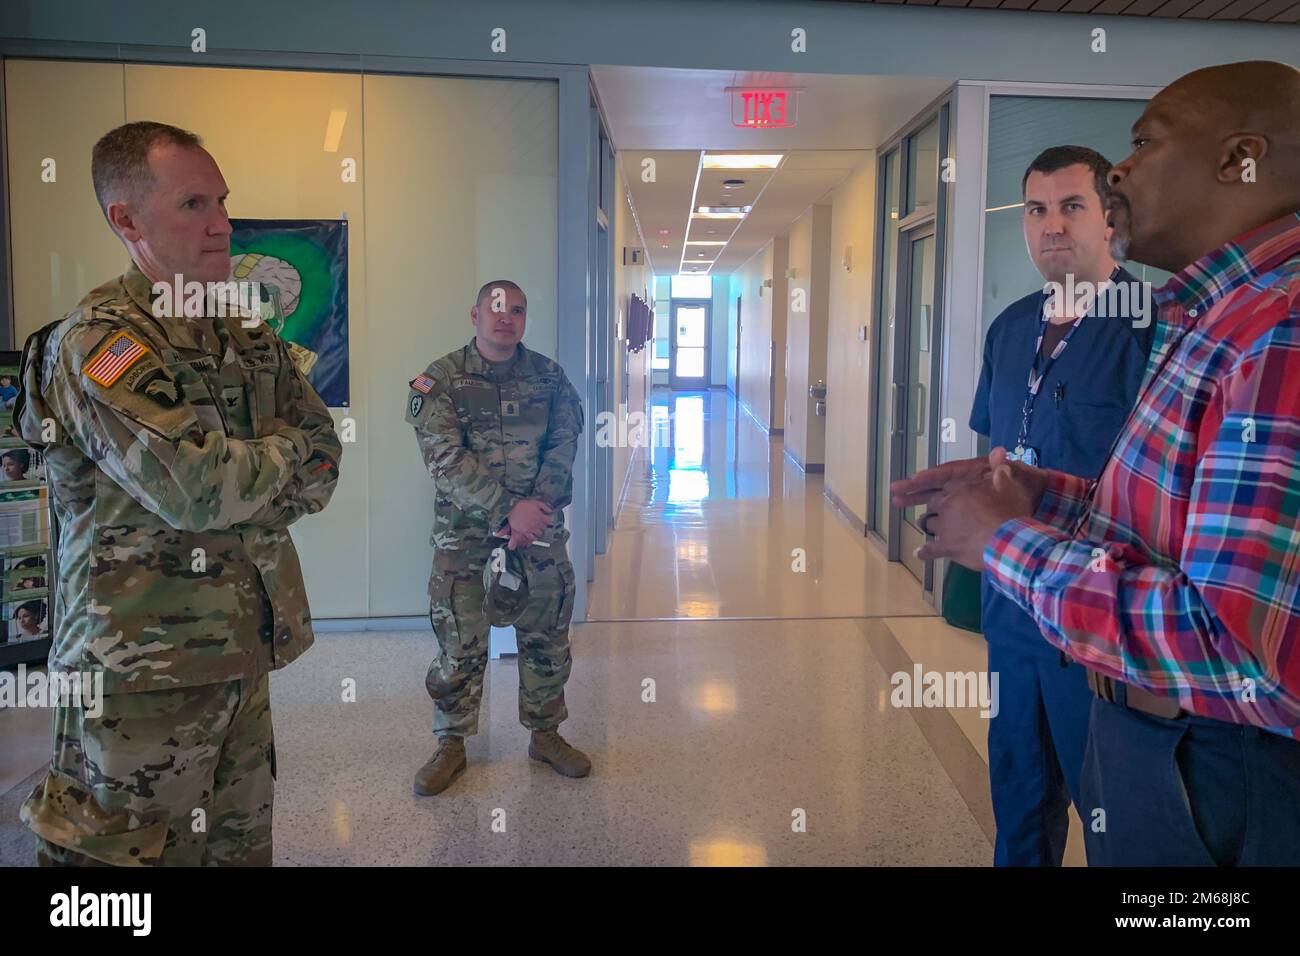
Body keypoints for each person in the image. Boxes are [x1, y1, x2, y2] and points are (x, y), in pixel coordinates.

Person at [893, 60, 1300, 866]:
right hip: (1042, 610)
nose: (1121, 172)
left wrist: (1012, 541)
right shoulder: (1201, 316)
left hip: (1177, 708)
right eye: (1036, 210)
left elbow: (1241, 647)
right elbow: (1169, 510)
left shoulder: (1236, 326)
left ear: (1239, 159)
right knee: (1017, 777)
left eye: (1144, 145)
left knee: (1095, 802)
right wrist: (1039, 495)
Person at [15, 121, 342, 866]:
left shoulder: (244, 332)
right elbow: (195, 491)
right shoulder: (102, 343)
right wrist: (274, 456)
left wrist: (251, 466)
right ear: (125, 220)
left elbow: (325, 462)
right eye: (194, 203)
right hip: (137, 674)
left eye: (223, 200)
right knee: (118, 870)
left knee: (236, 848)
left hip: (241, 650)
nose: (223, 222)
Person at [967, 145, 1154, 866]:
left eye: (1072, 206)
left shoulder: (1150, 329)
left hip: (1101, 613)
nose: (1052, 226)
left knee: (1111, 806)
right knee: (1017, 783)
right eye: (1037, 209)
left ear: (1109, 219)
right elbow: (999, 449)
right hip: (1012, 603)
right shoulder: (1010, 328)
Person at [405, 279, 588, 795]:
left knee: (546, 638)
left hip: (539, 535)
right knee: (459, 643)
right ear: (475, 315)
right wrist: (508, 509)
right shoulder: (439, 380)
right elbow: (444, 458)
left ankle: (546, 735)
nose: (506, 318)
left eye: (517, 310)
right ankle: (451, 743)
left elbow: (565, 444)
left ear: (525, 319)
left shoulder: (551, 380)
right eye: (496, 309)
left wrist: (537, 510)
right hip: (464, 538)